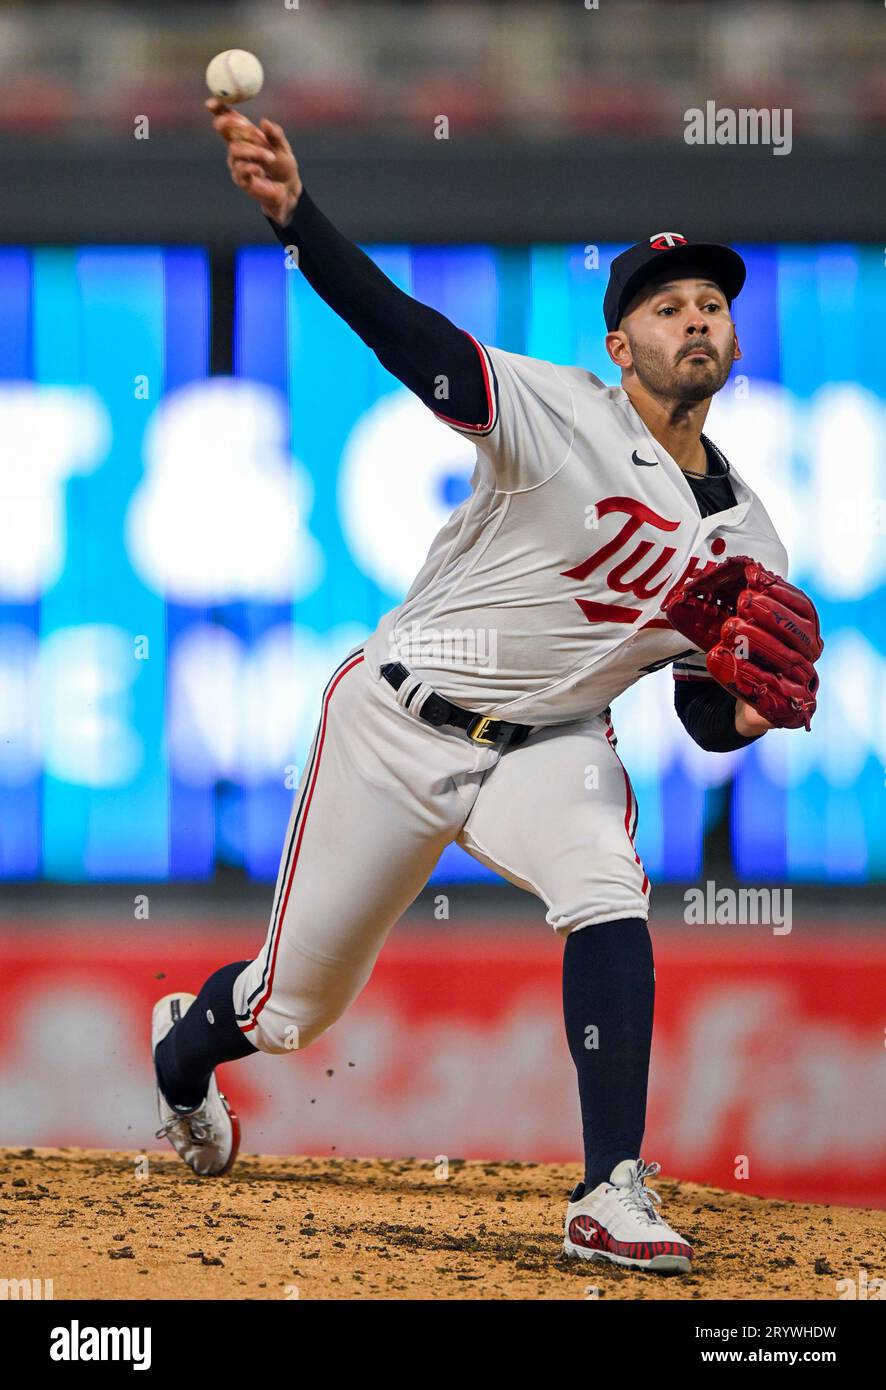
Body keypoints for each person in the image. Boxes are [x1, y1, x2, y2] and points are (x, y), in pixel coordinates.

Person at [151, 100, 798, 1275]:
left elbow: (705, 709)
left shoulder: (752, 538)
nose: (694, 318)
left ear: (732, 342)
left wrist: (744, 711)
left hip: (552, 744)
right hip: (396, 724)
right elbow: (410, 338)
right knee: (291, 1012)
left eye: (711, 305)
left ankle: (608, 1188)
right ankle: (182, 1059)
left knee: (606, 884)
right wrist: (300, 218)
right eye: (665, 307)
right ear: (622, 346)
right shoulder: (557, 414)